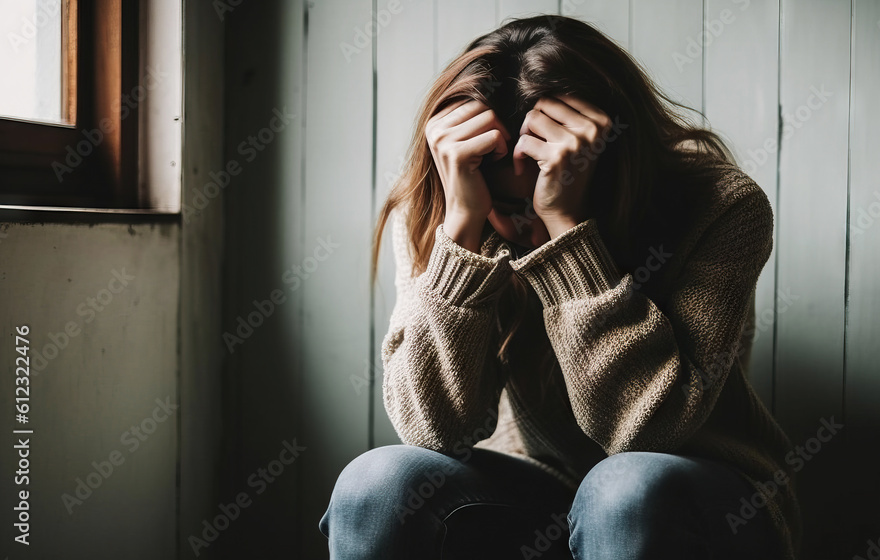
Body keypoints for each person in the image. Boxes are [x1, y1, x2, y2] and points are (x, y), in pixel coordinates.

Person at [320, 14, 801, 560]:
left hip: (700, 493)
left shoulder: (721, 204)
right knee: (377, 483)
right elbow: (435, 428)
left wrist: (566, 231)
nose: (523, 227)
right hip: (541, 488)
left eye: (540, 198)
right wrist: (461, 234)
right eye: (507, 206)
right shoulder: (446, 210)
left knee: (624, 491)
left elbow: (649, 430)